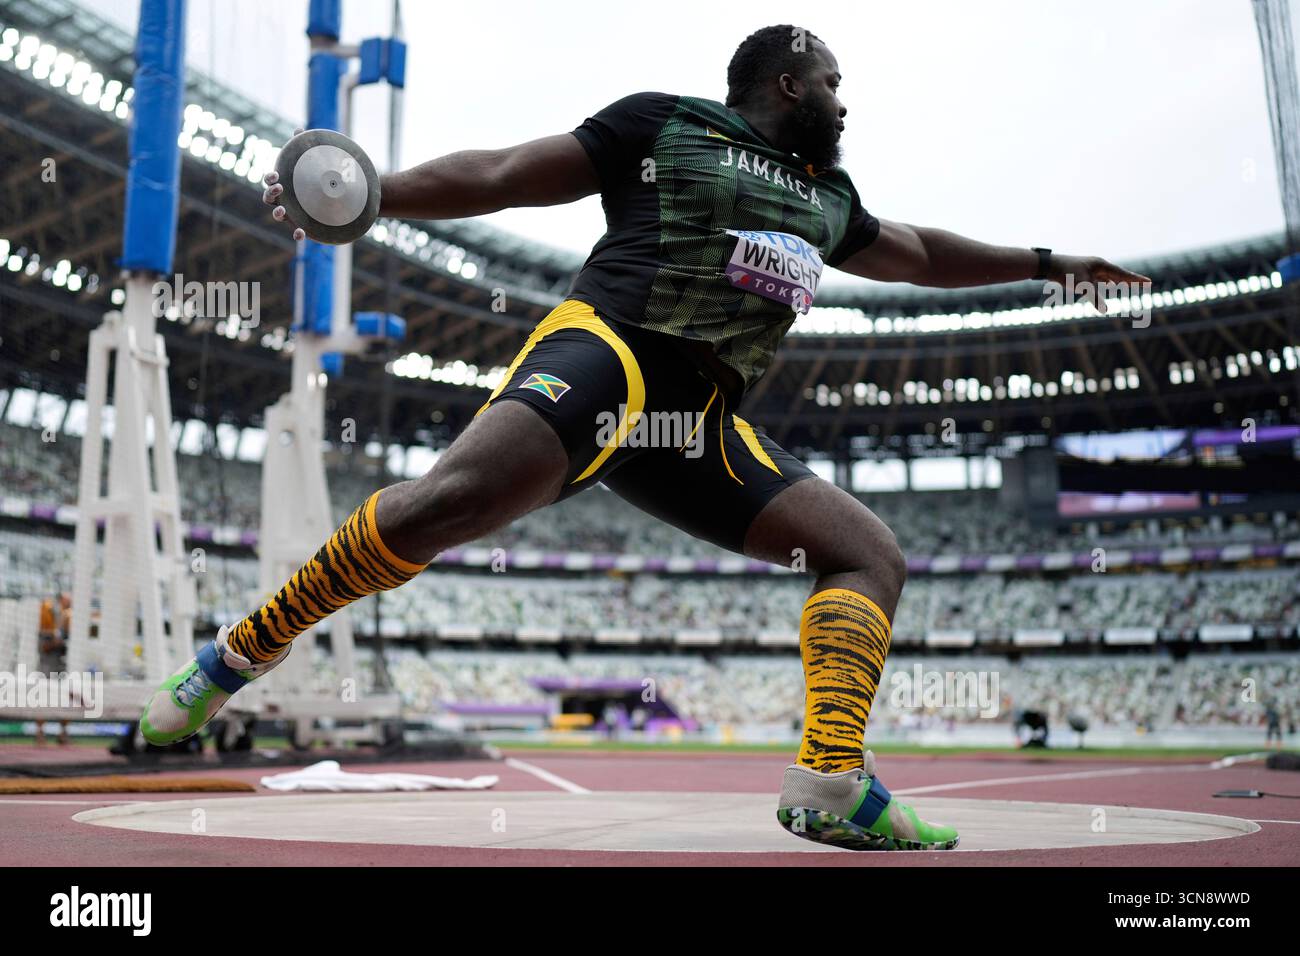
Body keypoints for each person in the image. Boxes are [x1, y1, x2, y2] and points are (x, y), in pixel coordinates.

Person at [140, 24, 1147, 851]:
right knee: (449, 503)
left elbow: (922, 253)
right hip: (609, 351)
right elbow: (505, 172)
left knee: (866, 553)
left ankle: (831, 778)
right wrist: (372, 196)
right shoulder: (665, 123)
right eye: (836, 82)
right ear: (787, 78)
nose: (848, 102)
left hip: (697, 421)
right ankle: (231, 659)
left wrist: (1051, 261)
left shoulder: (831, 200)